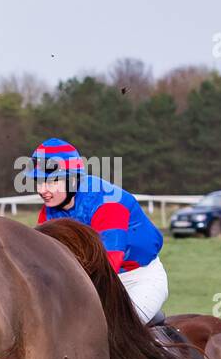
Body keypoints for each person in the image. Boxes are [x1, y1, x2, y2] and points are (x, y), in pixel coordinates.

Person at [29, 138, 168, 323]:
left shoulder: (108, 204)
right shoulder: (49, 212)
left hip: (138, 280)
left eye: (51, 182)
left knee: (109, 333)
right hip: (92, 281)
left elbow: (108, 265)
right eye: (38, 182)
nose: (42, 190)